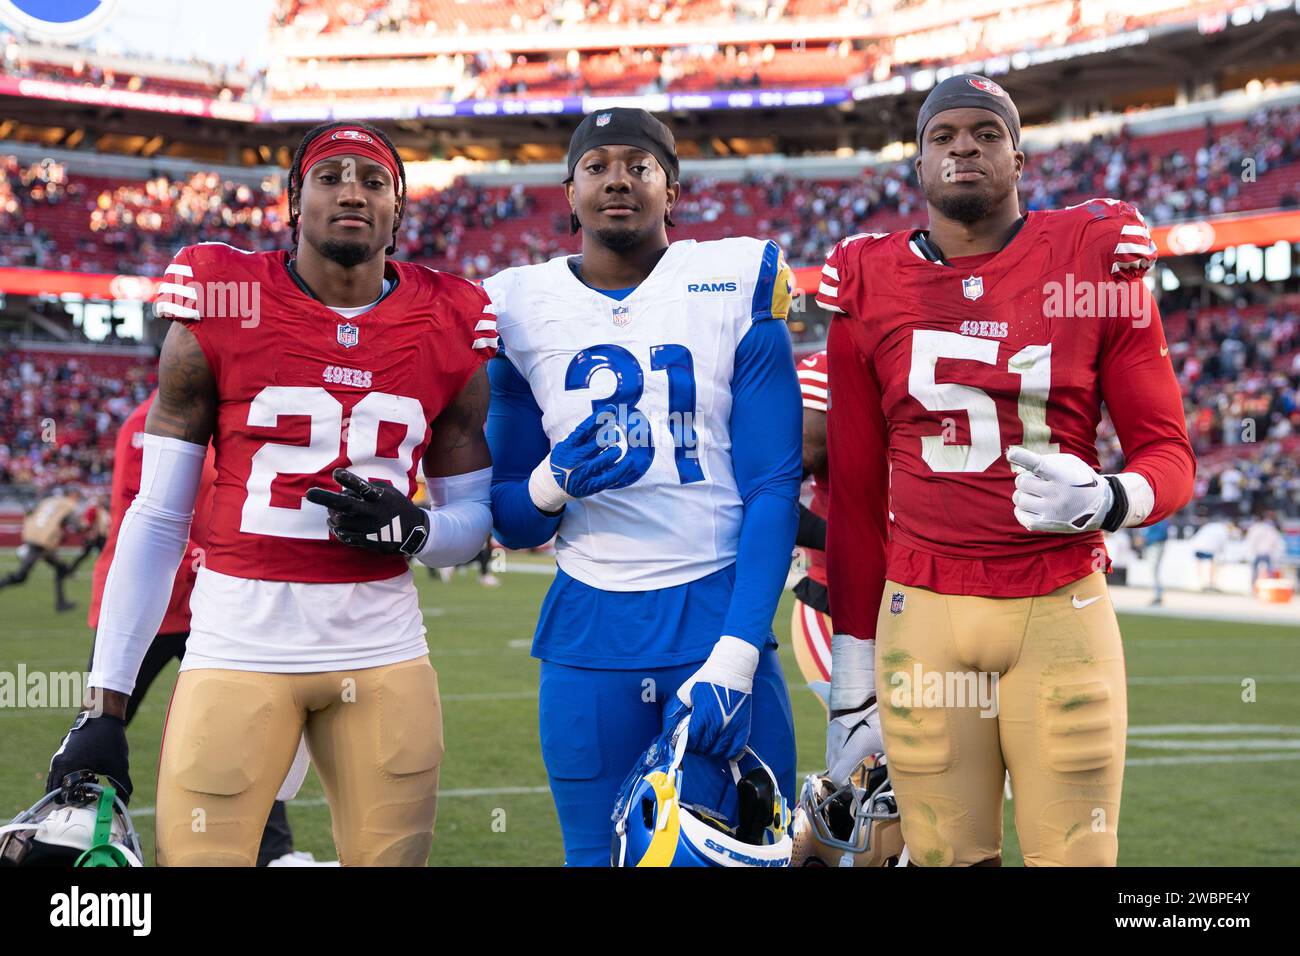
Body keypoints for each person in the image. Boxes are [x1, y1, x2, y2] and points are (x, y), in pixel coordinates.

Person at [47, 121, 498, 866]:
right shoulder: (223, 296)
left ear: (399, 209)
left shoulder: (451, 317)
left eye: (373, 180)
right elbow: (157, 517)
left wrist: (416, 528)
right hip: (236, 642)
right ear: (294, 201)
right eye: (331, 176)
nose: (352, 190)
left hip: (383, 649)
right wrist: (103, 704)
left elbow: (473, 521)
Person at [816, 75, 1195, 866]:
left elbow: (1170, 453)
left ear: (1018, 156)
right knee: (945, 857)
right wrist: (851, 682)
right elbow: (854, 492)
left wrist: (1110, 496)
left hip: (1059, 601)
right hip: (920, 611)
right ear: (917, 165)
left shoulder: (1092, 255)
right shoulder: (866, 276)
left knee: (1077, 858)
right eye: (943, 135)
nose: (964, 147)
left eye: (986, 134)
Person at [485, 108, 802, 866]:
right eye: (598, 166)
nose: (618, 179)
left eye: (639, 165)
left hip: (718, 614)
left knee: (746, 858)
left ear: (673, 190)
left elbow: (773, 484)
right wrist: (551, 483)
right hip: (590, 627)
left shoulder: (735, 277)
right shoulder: (514, 305)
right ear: (569, 192)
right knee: (596, 857)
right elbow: (511, 519)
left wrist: (735, 655)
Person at [82, 389, 330, 866]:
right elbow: (150, 518)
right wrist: (218, 557)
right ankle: (68, 832)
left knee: (249, 732)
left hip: (210, 606)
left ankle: (273, 851)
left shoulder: (229, 417)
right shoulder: (148, 421)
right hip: (151, 608)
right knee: (100, 722)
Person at [789, 348, 833, 707]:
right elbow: (774, 500)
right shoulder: (826, 373)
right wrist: (843, 542)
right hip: (838, 601)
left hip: (928, 596)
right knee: (871, 751)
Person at [0, 486, 85, 611]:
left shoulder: (49, 501)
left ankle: (61, 603)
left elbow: (32, 515)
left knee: (60, 568)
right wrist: (84, 526)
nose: (77, 499)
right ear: (72, 495)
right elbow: (76, 525)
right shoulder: (67, 505)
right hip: (41, 542)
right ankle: (61, 604)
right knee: (21, 576)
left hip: (35, 538)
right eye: (77, 496)